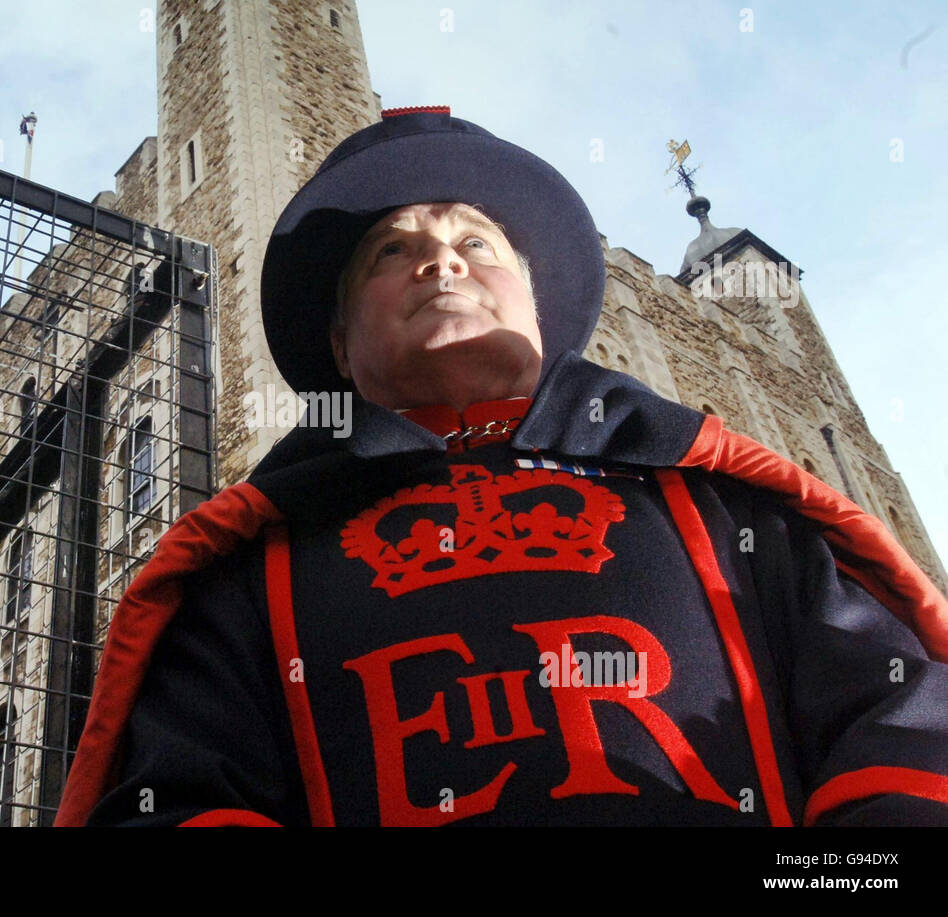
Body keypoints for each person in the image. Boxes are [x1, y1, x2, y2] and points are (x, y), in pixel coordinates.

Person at [54, 107, 948, 827]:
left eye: (476, 242)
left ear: (536, 303)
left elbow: (899, 720)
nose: (440, 258)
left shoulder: (728, 504)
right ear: (338, 339)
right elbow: (175, 799)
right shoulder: (248, 572)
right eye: (391, 251)